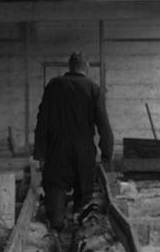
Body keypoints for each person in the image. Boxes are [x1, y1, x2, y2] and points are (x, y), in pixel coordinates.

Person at [33, 51, 114, 233]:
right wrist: (107, 154)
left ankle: (56, 230)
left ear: (70, 66)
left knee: (56, 188)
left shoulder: (54, 85)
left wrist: (40, 153)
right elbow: (103, 125)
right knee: (84, 194)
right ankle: (80, 232)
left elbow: (42, 121)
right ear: (87, 67)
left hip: (57, 150)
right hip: (84, 151)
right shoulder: (93, 89)